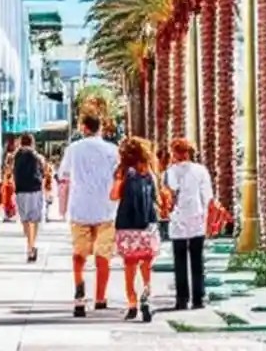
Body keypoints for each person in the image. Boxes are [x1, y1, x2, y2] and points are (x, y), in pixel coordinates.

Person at [58, 112, 119, 317]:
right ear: (100, 128)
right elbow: (119, 177)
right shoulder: (113, 151)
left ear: (84, 128)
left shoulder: (73, 150)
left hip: (80, 209)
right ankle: (100, 298)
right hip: (106, 210)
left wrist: (62, 208)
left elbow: (63, 178)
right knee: (103, 256)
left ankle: (79, 290)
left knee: (79, 254)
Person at [111, 137, 161, 322]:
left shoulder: (123, 172)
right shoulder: (149, 172)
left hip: (127, 226)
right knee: (146, 265)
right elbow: (156, 199)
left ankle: (132, 303)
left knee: (130, 265)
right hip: (148, 225)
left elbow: (114, 195)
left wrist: (118, 182)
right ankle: (146, 294)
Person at [165, 137, 213, 310]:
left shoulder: (172, 171)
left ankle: (182, 298)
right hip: (197, 218)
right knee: (197, 260)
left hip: (178, 218)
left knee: (180, 261)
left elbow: (171, 190)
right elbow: (207, 196)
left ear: (176, 153)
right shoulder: (201, 170)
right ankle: (198, 298)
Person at [11, 133, 46, 262]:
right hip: (34, 190)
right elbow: (43, 170)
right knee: (34, 219)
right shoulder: (36, 156)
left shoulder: (16, 156)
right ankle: (32, 246)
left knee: (25, 219)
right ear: (32, 143)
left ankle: (30, 245)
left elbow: (11, 171)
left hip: (21, 191)